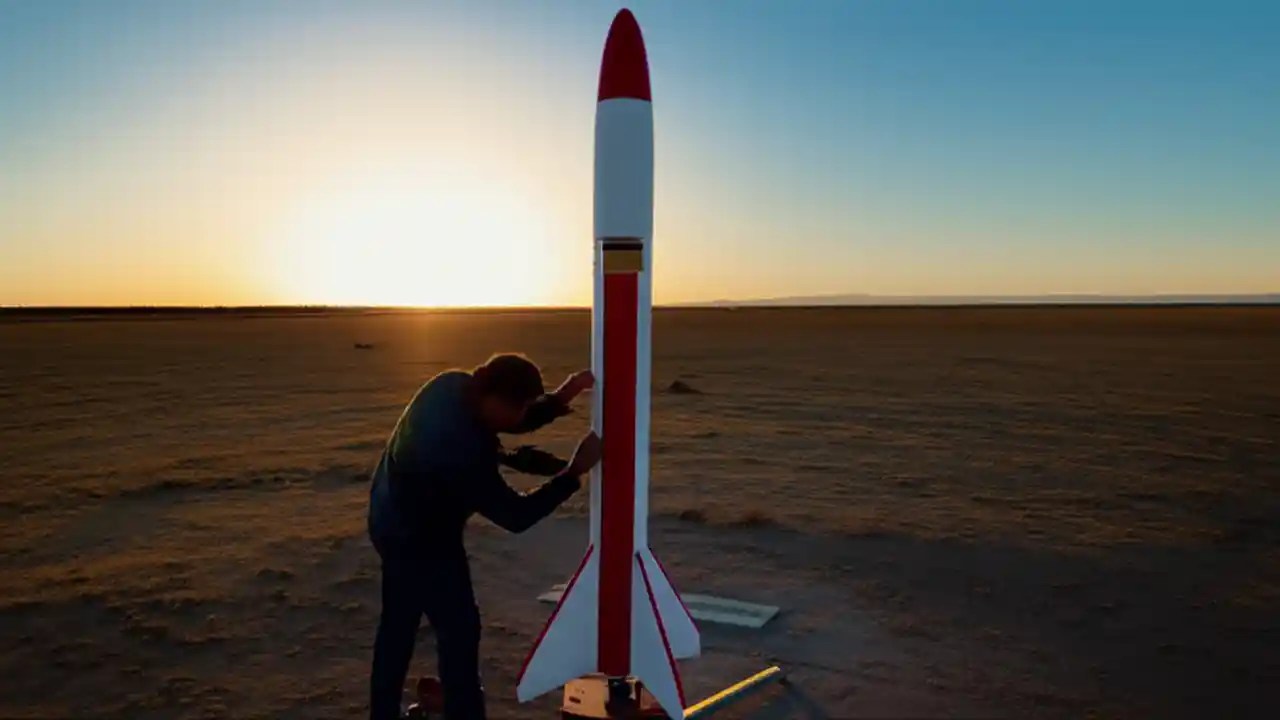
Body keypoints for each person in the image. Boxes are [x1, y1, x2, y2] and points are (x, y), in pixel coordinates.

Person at [367, 353, 600, 720]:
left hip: (387, 517)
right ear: (498, 399)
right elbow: (515, 515)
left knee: (399, 623)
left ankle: (383, 713)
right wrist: (573, 474)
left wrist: (561, 397)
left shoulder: (455, 385)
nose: (523, 415)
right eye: (521, 406)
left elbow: (506, 420)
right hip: (422, 539)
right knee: (459, 630)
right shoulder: (461, 449)